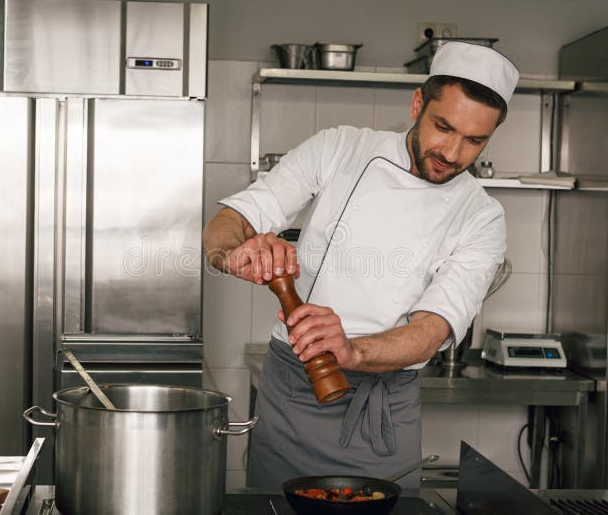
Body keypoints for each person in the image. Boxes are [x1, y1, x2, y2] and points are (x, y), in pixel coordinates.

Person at [202, 42, 519, 489]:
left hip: (384, 408)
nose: (452, 152)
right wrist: (233, 253)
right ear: (416, 103)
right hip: (293, 394)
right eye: (443, 127)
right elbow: (228, 223)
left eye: (474, 140)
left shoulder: (481, 216)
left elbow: (434, 328)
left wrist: (353, 351)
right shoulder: (339, 148)